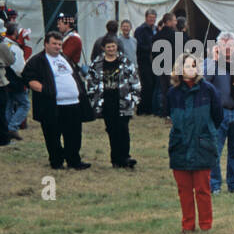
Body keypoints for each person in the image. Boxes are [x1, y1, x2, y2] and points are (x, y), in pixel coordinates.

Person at [166, 54, 222, 231]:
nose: (192, 69)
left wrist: (206, 132)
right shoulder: (172, 93)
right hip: (180, 145)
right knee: (184, 190)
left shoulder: (208, 90)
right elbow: (169, 114)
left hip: (202, 145)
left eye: (194, 66)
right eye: (188, 66)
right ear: (180, 69)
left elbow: (218, 116)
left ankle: (206, 225)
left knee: (203, 189)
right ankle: (187, 225)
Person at [21, 30, 92, 169]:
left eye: (60, 44)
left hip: (73, 104)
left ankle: (74, 161)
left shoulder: (64, 57)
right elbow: (28, 78)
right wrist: (45, 90)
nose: (57, 47)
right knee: (53, 135)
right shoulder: (38, 60)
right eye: (54, 43)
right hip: (53, 105)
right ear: (46, 44)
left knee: (74, 135)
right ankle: (57, 161)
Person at [85, 37, 140, 168]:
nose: (111, 49)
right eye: (108, 47)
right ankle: (115, 159)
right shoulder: (97, 63)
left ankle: (125, 157)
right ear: (103, 48)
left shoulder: (125, 61)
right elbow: (90, 81)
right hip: (106, 101)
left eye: (113, 46)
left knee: (123, 129)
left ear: (117, 47)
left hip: (123, 100)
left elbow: (135, 80)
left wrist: (135, 98)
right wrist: (93, 99)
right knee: (111, 130)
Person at [206, 32, 234, 194]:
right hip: (219, 112)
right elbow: (203, 80)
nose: (227, 49)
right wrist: (213, 60)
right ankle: (215, 184)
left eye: (230, 46)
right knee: (215, 149)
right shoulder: (211, 62)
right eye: (224, 46)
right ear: (218, 47)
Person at [4, 21, 30, 139]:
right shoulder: (14, 47)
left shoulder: (4, 43)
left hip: (6, 80)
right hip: (15, 80)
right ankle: (12, 127)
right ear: (15, 32)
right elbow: (20, 68)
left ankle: (7, 128)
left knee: (9, 104)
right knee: (24, 104)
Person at [133, 10, 158, 115]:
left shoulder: (156, 29)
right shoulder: (140, 30)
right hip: (144, 61)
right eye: (150, 17)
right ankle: (142, 109)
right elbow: (138, 45)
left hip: (155, 61)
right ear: (146, 18)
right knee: (146, 85)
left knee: (153, 84)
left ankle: (151, 108)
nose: (152, 19)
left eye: (153, 17)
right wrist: (151, 48)